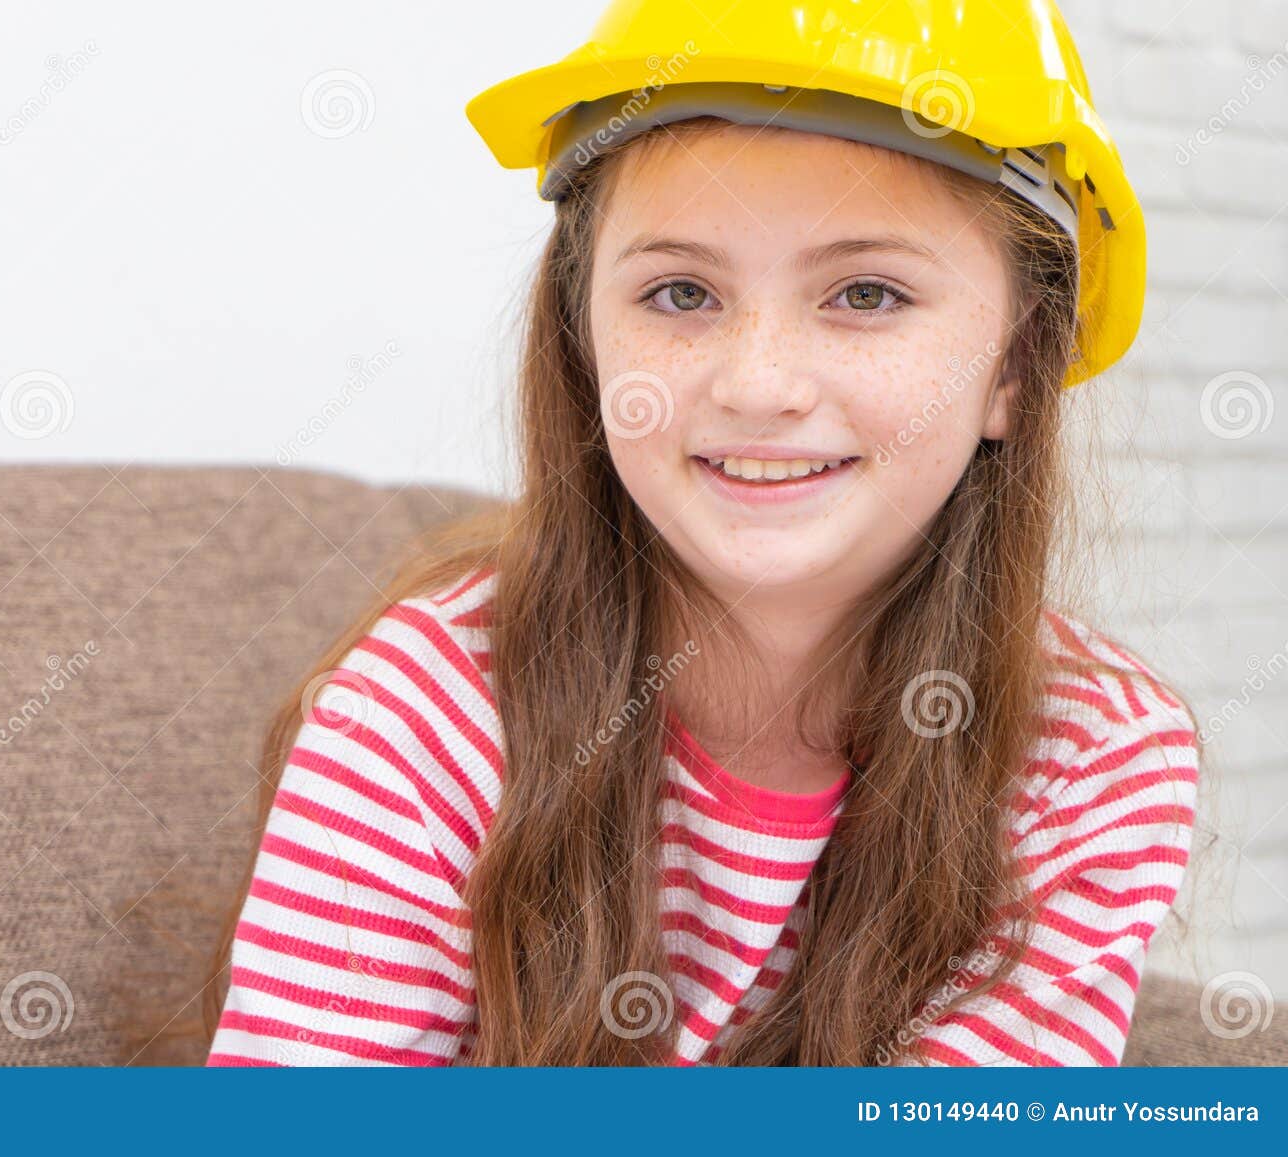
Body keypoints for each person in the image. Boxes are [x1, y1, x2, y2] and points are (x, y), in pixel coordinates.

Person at [203, 0, 1202, 1066]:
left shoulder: (1091, 759)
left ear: (1013, 364)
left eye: (867, 293)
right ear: (583, 340)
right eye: (681, 292)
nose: (757, 384)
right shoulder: (421, 715)